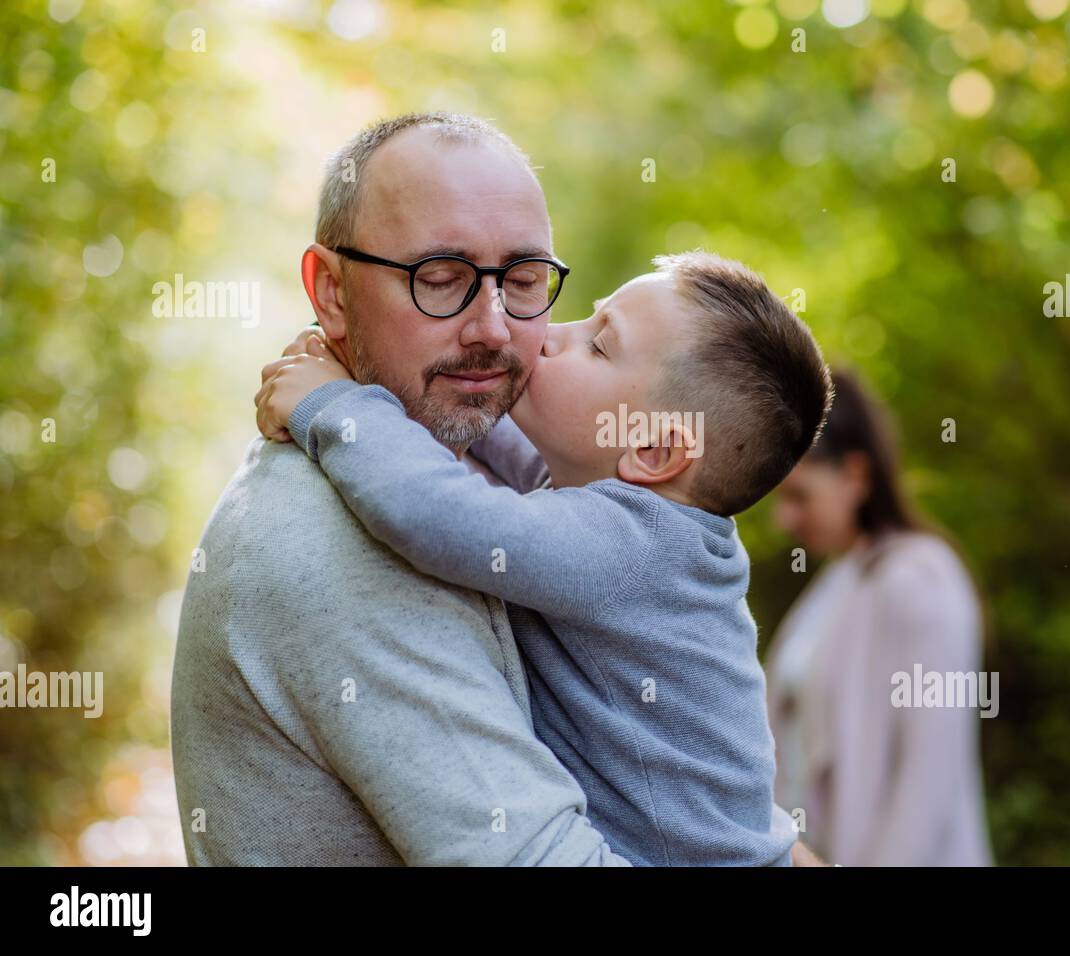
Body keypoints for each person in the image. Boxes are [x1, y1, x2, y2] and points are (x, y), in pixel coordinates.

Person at [253, 250, 833, 866]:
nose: (552, 338)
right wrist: (389, 371)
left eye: (598, 346)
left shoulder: (627, 548)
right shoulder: (628, 505)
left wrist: (339, 407)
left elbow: (435, 512)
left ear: (657, 450)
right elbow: (487, 433)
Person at [767, 369, 994, 866]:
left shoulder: (919, 580)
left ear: (856, 475)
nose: (784, 519)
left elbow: (929, 772)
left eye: (799, 495)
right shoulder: (835, 583)